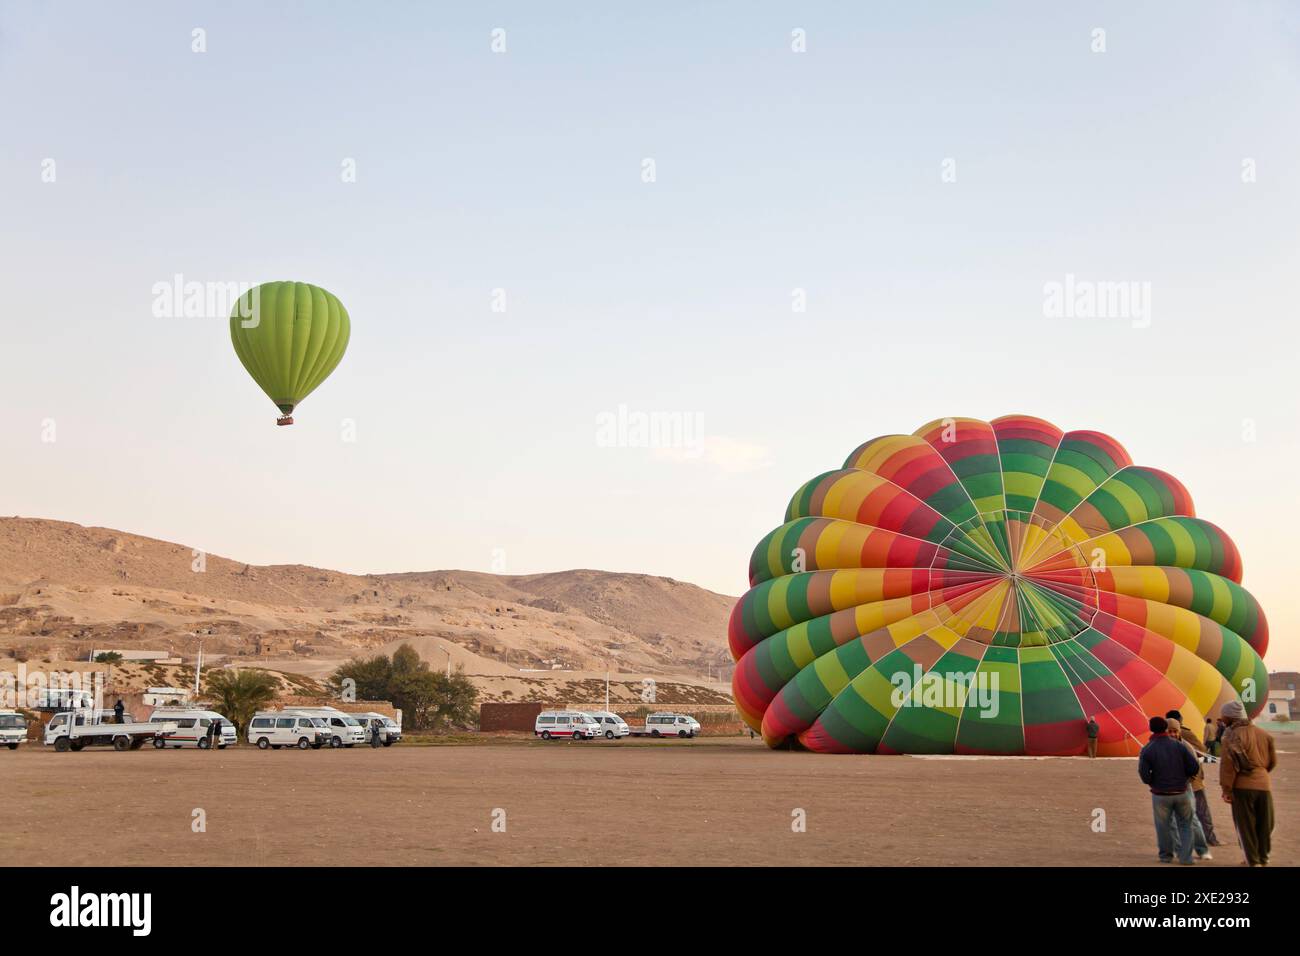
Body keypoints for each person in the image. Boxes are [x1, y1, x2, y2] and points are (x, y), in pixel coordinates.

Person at [1219, 698, 1277, 866]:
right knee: (1264, 824)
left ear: (1231, 717)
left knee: (1245, 826)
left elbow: (1228, 767)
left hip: (1242, 787)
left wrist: (1227, 790)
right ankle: (1263, 858)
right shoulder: (1265, 734)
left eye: (1224, 715)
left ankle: (1253, 861)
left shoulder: (1230, 736)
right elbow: (1272, 762)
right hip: (1264, 785)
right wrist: (1260, 774)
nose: (1222, 719)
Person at [1138, 715, 1199, 864]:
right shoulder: (1179, 746)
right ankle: (1186, 857)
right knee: (1185, 825)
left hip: (1160, 795)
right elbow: (1194, 767)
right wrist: (1184, 778)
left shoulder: (1147, 749)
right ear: (1165, 728)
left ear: (1151, 729)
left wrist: (1154, 782)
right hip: (1181, 792)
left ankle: (1166, 856)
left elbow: (1144, 775)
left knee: (1163, 826)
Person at [1166, 709, 1220, 847]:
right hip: (1193, 781)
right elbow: (1201, 750)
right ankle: (1210, 839)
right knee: (1201, 811)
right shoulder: (1184, 733)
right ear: (1179, 720)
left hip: (1173, 783)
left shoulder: (1162, 737)